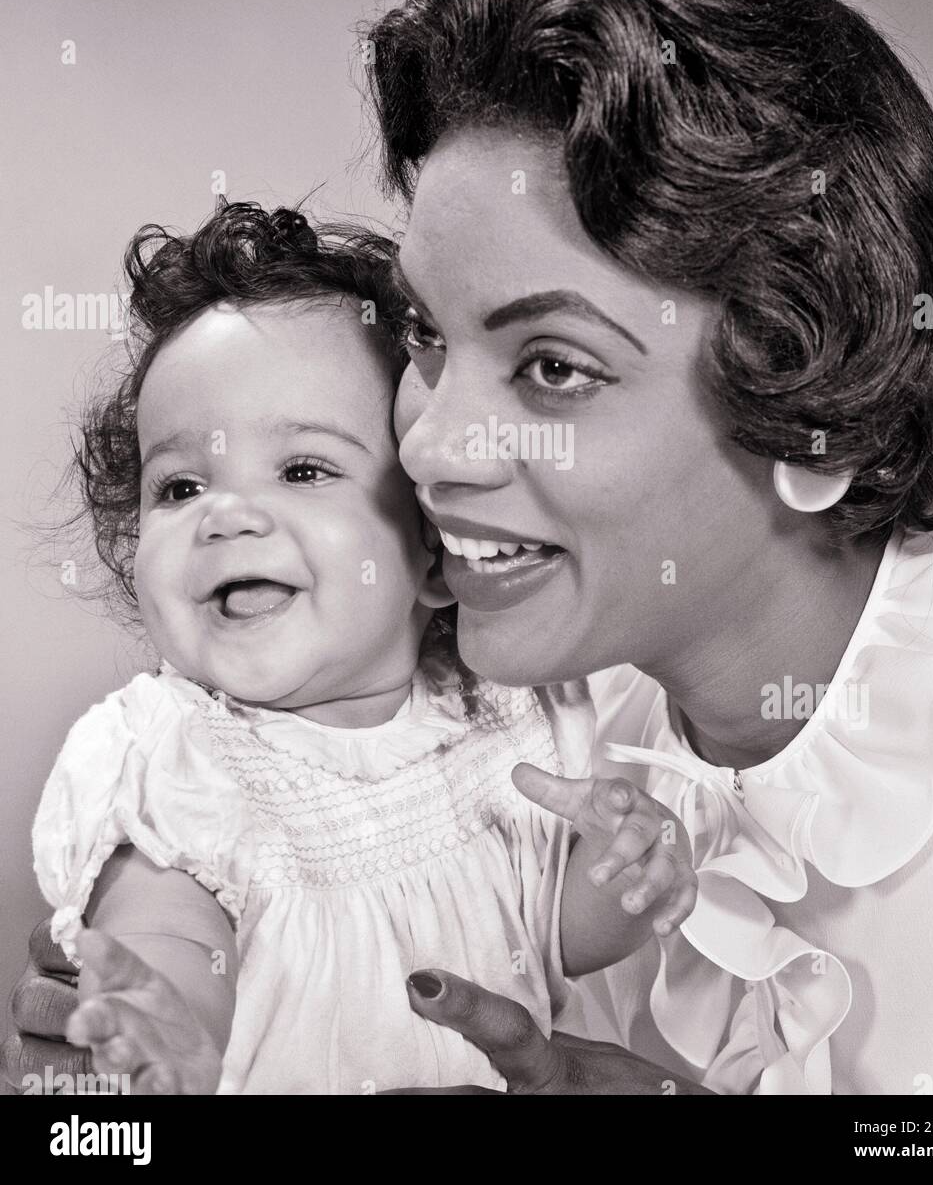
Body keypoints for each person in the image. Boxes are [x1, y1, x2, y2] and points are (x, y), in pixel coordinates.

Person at [360, 0, 933, 1093]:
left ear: (812, 396)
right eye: (423, 336)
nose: (428, 445)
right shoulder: (515, 758)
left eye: (553, 366)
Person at [19, 201, 696, 1095]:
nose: (226, 515)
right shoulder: (175, 758)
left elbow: (551, 936)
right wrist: (159, 1023)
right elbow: (170, 935)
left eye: (302, 471)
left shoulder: (500, 725)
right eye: (178, 486)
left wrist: (629, 876)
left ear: (433, 545)